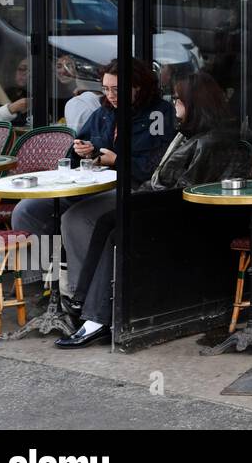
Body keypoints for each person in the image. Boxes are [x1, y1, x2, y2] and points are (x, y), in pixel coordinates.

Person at [56, 71, 249, 348]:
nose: (174, 106)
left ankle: (95, 316)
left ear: (195, 104)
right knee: (106, 222)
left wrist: (143, 194)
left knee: (113, 229)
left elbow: (185, 189)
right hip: (161, 201)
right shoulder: (192, 135)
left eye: (179, 101)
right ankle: (85, 304)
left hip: (174, 211)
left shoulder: (207, 142)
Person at [10, 59, 175, 331]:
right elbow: (75, 150)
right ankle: (41, 289)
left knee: (76, 219)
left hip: (134, 189)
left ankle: (80, 297)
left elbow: (156, 167)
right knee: (28, 210)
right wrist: (80, 150)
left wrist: (115, 160)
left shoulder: (159, 113)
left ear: (139, 87)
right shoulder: (103, 112)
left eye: (117, 89)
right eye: (106, 89)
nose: (110, 95)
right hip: (92, 184)